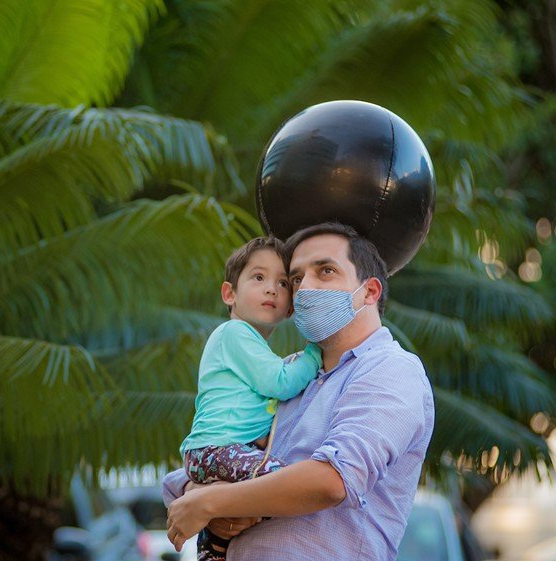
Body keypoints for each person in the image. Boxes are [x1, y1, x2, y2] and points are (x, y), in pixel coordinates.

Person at [164, 222, 435, 561]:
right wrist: (200, 495)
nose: (305, 287)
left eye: (325, 271)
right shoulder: (290, 370)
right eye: (295, 279)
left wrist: (211, 503)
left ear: (370, 292)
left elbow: (333, 480)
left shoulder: (390, 369)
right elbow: (213, 455)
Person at [180, 236, 323, 561]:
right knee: (284, 483)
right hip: (215, 450)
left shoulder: (254, 348)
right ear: (229, 293)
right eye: (258, 277)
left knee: (251, 506)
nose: (271, 288)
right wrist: (316, 350)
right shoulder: (235, 334)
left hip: (218, 453)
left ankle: (213, 548)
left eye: (283, 283)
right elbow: (281, 382)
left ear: (290, 305)